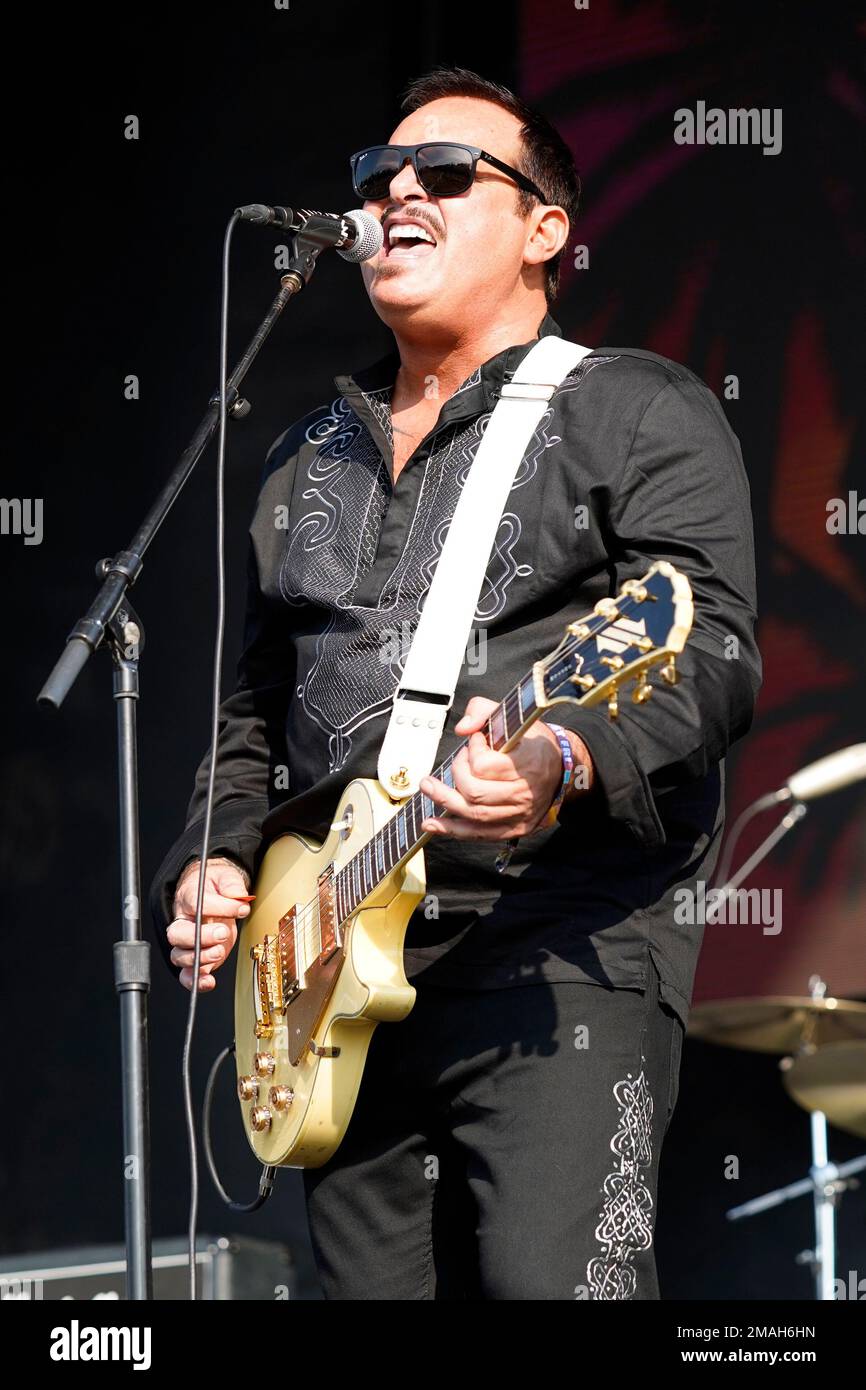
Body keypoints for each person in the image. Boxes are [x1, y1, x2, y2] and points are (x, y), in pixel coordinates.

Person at [150, 67, 761, 1300]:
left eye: (443, 174)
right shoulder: (301, 453)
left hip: (554, 963)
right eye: (380, 176)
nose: (398, 193)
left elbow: (707, 654)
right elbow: (252, 712)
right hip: (339, 988)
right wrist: (214, 859)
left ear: (545, 230)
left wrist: (554, 757)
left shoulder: (633, 407)